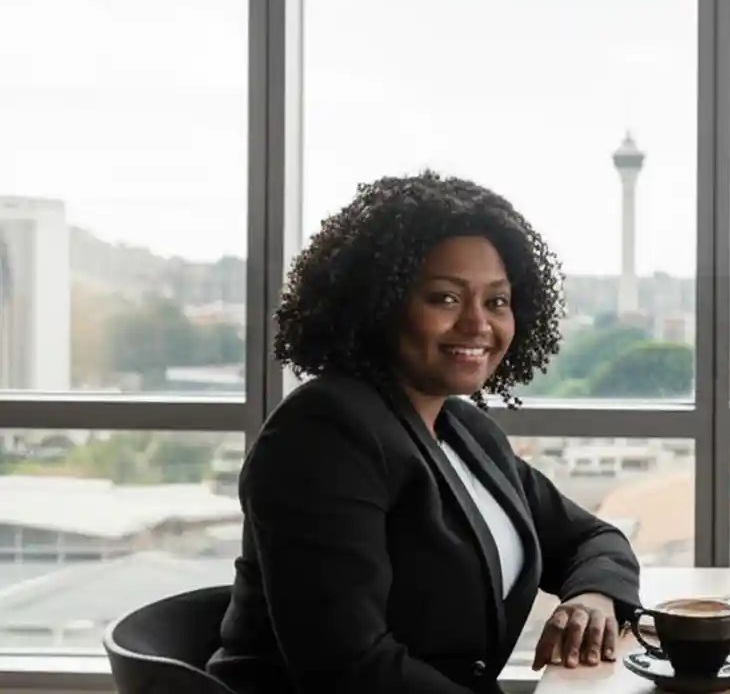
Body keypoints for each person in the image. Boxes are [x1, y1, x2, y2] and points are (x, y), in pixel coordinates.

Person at [207, 171, 641, 693]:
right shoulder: (323, 436)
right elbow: (350, 669)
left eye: (497, 302)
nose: (479, 325)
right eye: (445, 299)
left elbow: (592, 538)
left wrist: (591, 599)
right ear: (378, 304)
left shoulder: (465, 430)